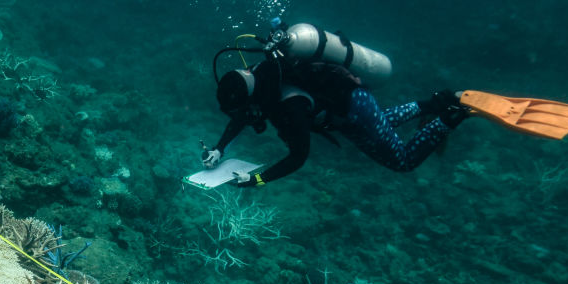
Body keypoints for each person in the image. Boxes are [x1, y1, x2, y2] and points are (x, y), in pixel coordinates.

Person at [201, 56, 471, 186]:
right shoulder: (261, 78)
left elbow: (298, 157)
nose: (245, 115)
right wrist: (219, 148)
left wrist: (258, 179)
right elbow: (241, 118)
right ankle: (432, 104)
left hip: (354, 106)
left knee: (402, 160)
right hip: (346, 113)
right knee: (381, 124)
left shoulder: (290, 103)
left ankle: (454, 111)